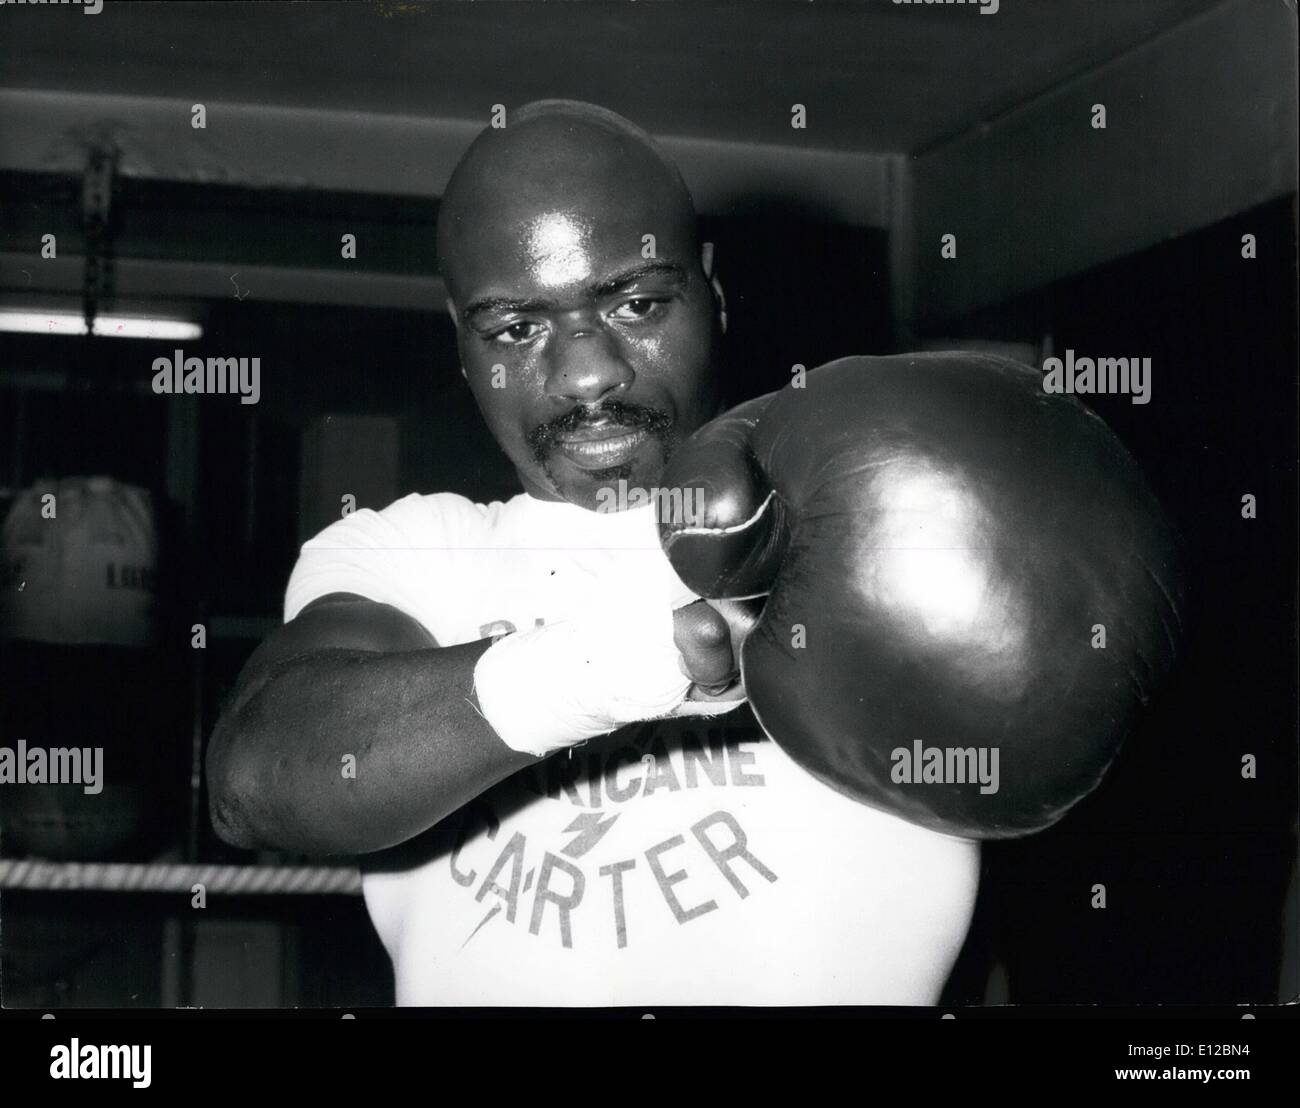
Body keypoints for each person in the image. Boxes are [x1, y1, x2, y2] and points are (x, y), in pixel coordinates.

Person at [206, 100, 979, 1006]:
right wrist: (641, 660)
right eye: (516, 330)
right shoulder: (411, 552)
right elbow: (255, 779)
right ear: (461, 342)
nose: (587, 374)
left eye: (640, 303)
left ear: (713, 292)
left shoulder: (870, 512)